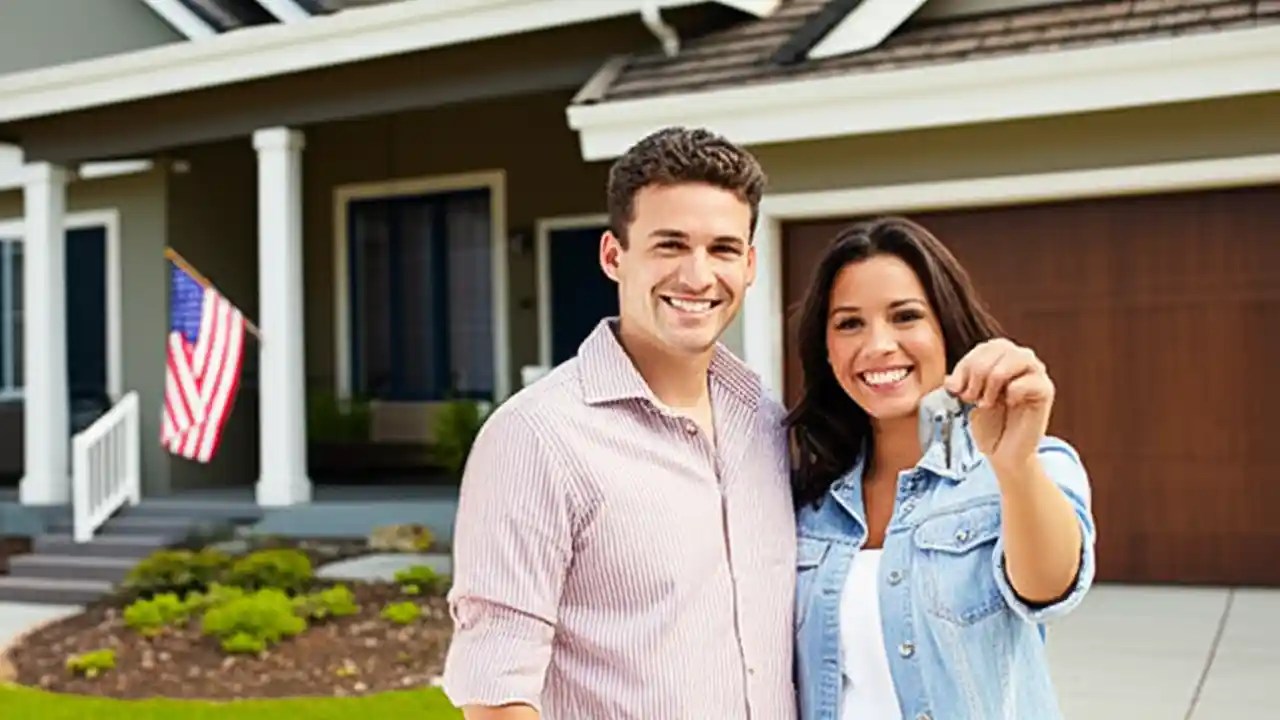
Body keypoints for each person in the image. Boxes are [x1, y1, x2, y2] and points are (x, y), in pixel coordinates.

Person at [441, 126, 799, 720]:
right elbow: (496, 696)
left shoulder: (765, 421)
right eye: (669, 245)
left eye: (723, 249)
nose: (697, 275)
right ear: (614, 255)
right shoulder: (537, 437)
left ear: (751, 263)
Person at [786, 216, 1097, 720]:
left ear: (946, 329)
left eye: (905, 316)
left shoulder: (1029, 466)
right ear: (826, 348)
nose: (878, 344)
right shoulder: (810, 498)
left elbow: (1049, 589)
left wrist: (1013, 464)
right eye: (849, 323)